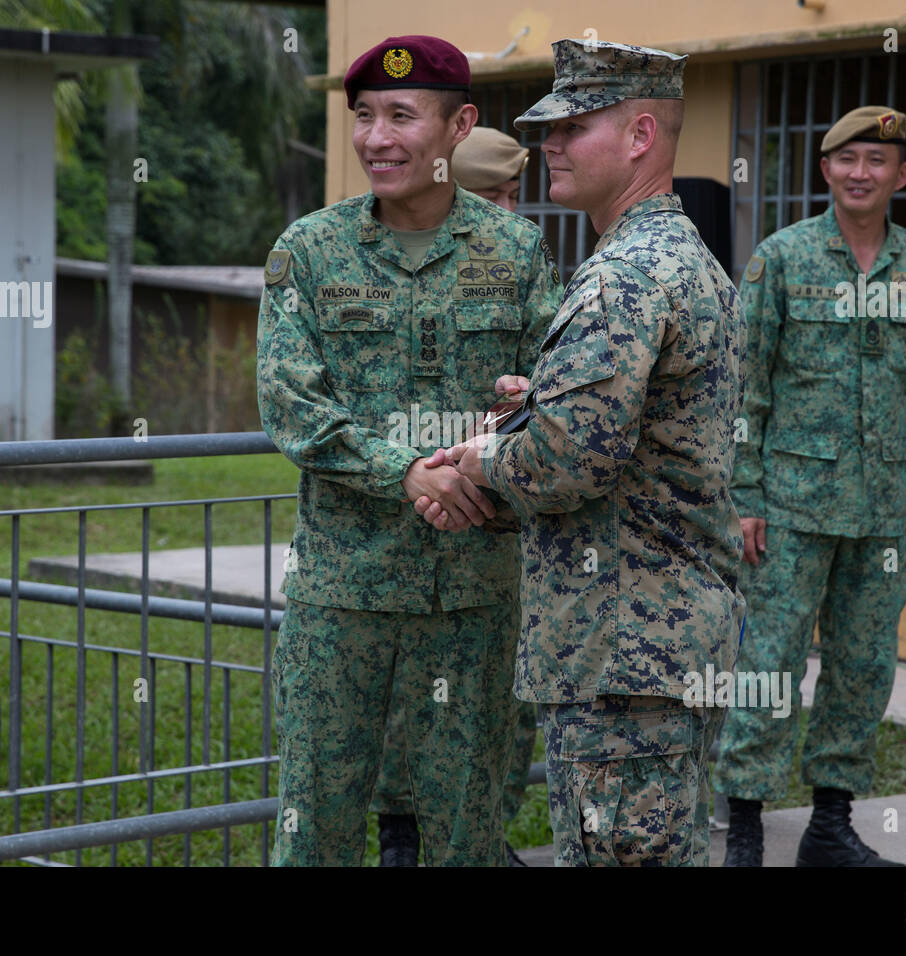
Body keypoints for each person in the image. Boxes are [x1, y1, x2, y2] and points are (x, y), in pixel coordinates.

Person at [419, 38, 747, 866]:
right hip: (657, 646)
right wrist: (536, 410)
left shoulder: (624, 276)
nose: (549, 146)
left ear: (641, 136)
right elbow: (640, 434)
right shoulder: (681, 258)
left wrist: (475, 463)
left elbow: (569, 461)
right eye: (547, 130)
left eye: (574, 127)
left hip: (622, 652)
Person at [256, 35, 561, 866]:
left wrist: (489, 455)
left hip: (473, 594)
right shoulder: (310, 250)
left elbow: (552, 397)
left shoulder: (517, 251)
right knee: (314, 819)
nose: (378, 138)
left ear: (459, 124)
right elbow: (293, 406)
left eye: (401, 115)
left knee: (467, 826)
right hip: (343, 592)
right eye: (363, 116)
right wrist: (408, 473)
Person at [715, 106, 906, 867]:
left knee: (863, 667)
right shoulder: (782, 258)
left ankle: (829, 828)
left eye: (878, 161)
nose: (862, 173)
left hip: (882, 512)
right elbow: (745, 390)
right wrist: (743, 498)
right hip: (790, 511)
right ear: (826, 171)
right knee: (767, 667)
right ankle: (744, 827)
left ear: (902, 176)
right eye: (848, 160)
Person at [369, 126, 544, 867]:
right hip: (388, 534)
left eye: (514, 196)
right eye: (494, 195)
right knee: (403, 708)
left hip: (490, 537)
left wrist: (519, 400)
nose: (507, 212)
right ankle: (403, 841)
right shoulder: (374, 263)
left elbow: (551, 374)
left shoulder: (520, 260)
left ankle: (483, 841)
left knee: (497, 711)